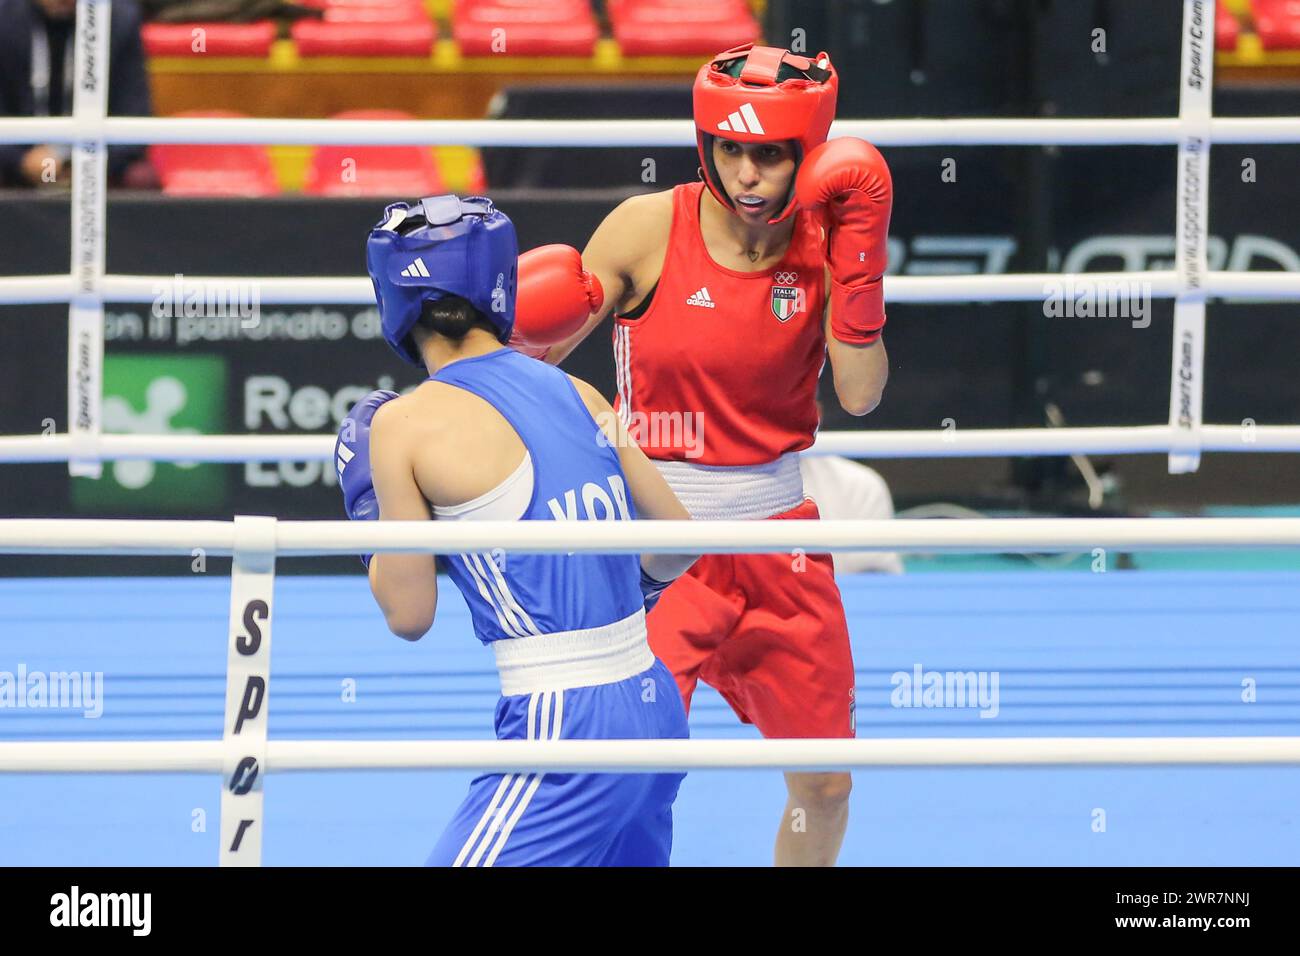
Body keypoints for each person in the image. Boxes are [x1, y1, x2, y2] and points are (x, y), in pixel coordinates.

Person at [512, 44, 893, 866]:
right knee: (628, 777)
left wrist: (859, 271)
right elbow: (533, 360)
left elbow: (860, 393)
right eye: (732, 149)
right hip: (656, 545)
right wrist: (496, 330)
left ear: (809, 152)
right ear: (705, 143)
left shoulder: (830, 239)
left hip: (779, 539)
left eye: (770, 154)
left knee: (825, 785)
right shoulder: (648, 227)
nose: (749, 173)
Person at [335, 194, 696, 867]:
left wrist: (369, 513)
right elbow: (678, 540)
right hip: (655, 700)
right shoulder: (581, 393)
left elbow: (408, 614)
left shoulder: (400, 426)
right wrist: (609, 594)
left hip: (566, 726)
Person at [0, 0, 154, 188]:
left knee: (141, 176)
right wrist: (21, 160)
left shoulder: (119, 18)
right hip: (19, 161)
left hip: (100, 161)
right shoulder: (5, 19)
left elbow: (135, 116)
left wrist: (87, 163)